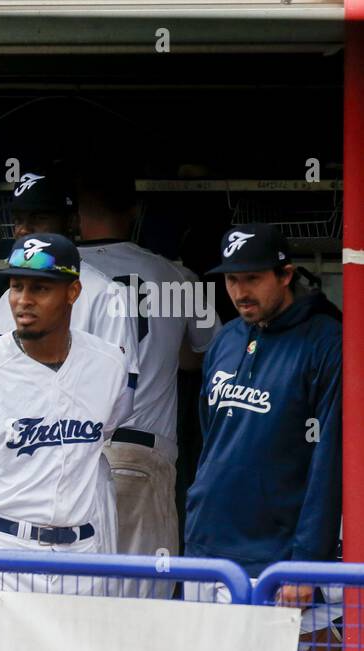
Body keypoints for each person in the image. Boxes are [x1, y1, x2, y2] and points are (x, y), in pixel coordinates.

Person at [0, 234, 136, 594]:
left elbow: (104, 433)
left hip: (80, 554)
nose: (23, 300)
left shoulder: (109, 365)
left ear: (73, 292)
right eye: (16, 286)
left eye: (41, 288)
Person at [184, 225, 342, 615]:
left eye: (252, 278)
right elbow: (212, 437)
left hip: (275, 559)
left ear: (285, 275)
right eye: (232, 280)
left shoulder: (326, 341)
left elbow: (330, 461)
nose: (240, 292)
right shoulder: (227, 338)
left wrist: (305, 563)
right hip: (207, 548)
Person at [77, 170, 219, 595]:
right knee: (142, 602)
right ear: (133, 213)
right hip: (142, 447)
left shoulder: (57, 279)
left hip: (71, 449)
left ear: (77, 215)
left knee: (78, 596)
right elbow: (210, 353)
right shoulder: (178, 276)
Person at [0, 167, 139, 556]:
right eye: (19, 218)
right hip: (17, 471)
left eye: (38, 217)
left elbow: (120, 398)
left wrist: (63, 429)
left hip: (81, 469)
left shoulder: (106, 293)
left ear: (72, 222)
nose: (25, 228)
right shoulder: (4, 301)